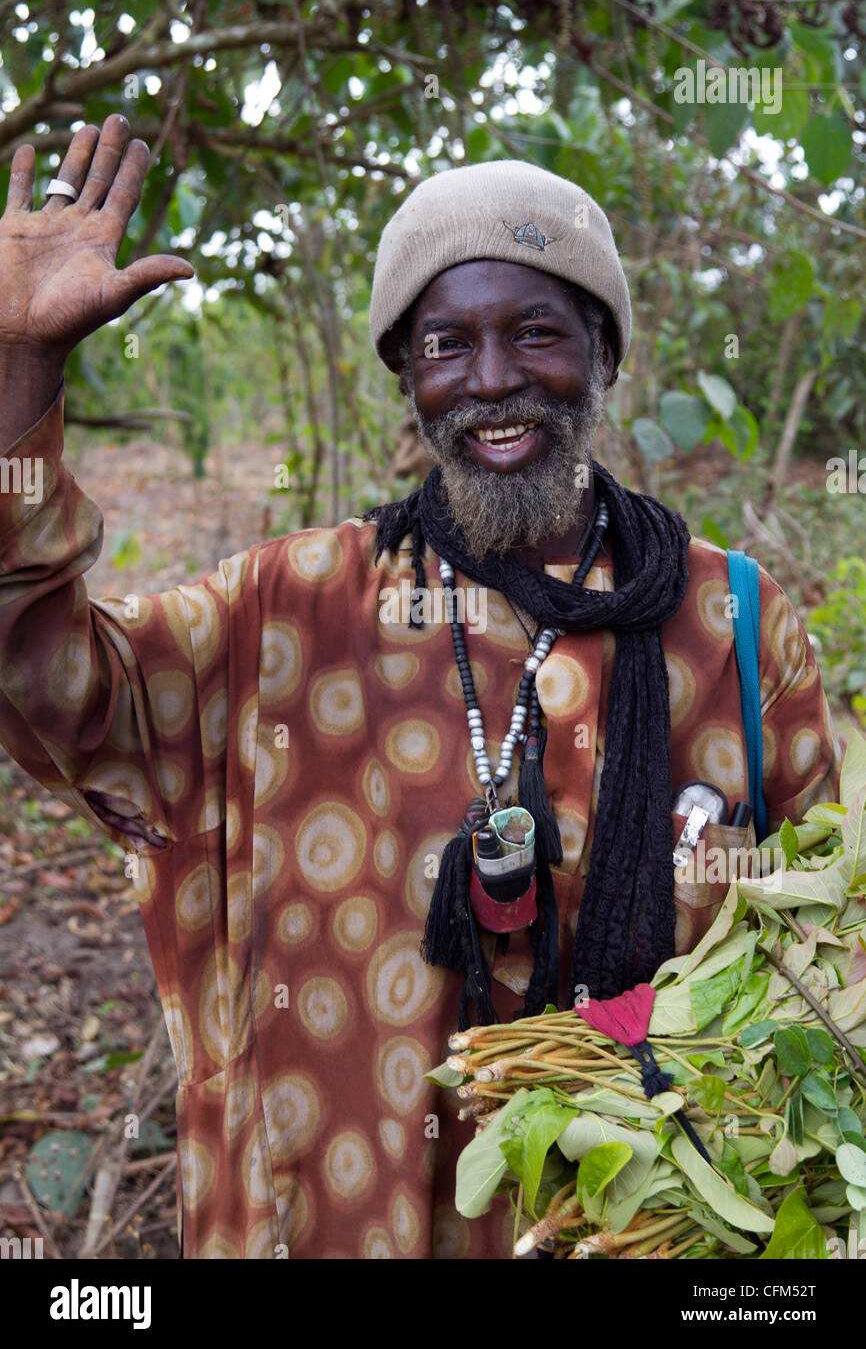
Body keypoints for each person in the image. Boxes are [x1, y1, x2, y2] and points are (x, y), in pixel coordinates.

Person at [0, 115, 841, 1259]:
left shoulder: (729, 624)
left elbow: (815, 957)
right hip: (340, 1219)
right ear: (407, 375)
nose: (491, 382)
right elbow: (58, 694)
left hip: (624, 1230)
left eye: (535, 332)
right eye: (446, 345)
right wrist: (19, 379)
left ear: (603, 353)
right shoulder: (286, 608)